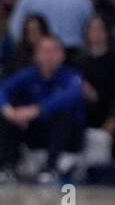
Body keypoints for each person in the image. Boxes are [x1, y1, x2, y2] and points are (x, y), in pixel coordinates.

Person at [0, 35, 85, 181]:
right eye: (45, 51)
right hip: (36, 132)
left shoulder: (72, 76)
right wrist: (8, 110)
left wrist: (37, 110)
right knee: (8, 116)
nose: (49, 56)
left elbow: (70, 96)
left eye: (54, 51)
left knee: (64, 113)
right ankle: (7, 167)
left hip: (67, 136)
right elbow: (4, 90)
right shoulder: (28, 75)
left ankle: (51, 168)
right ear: (36, 55)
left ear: (62, 55)